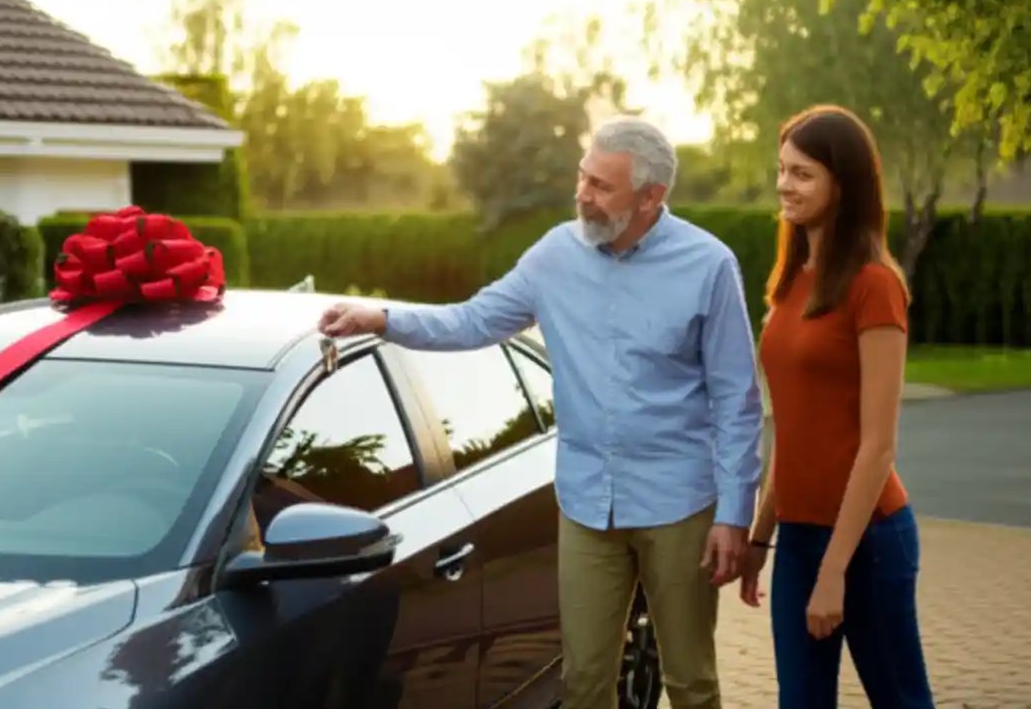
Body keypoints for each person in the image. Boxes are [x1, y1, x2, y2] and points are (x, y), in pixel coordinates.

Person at [318, 115, 764, 709]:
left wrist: (735, 514)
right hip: (586, 505)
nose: (583, 194)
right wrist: (384, 318)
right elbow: (474, 320)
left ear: (652, 196)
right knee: (582, 683)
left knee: (690, 682)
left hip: (679, 505)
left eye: (603, 186)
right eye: (583, 177)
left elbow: (738, 401)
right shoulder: (556, 254)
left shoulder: (708, 266)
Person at [740, 104, 935, 708]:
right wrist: (759, 537)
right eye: (782, 170)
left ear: (842, 183)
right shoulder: (790, 281)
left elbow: (878, 445)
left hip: (869, 542)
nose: (785, 185)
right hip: (798, 537)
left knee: (900, 701)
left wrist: (834, 572)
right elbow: (793, 430)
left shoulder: (875, 285)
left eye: (803, 174)